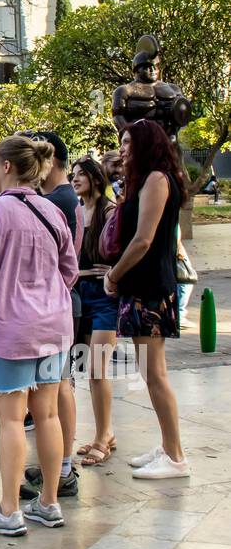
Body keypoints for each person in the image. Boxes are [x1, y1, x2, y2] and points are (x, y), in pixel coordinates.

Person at [0, 134, 79, 536]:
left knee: (11, 418)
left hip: (11, 327)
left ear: (7, 166)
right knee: (46, 414)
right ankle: (48, 501)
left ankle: (9, 510)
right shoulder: (53, 211)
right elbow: (70, 269)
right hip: (54, 326)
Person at [103, 119, 190, 479]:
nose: (122, 148)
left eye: (127, 142)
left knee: (154, 375)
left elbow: (143, 240)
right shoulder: (149, 179)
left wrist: (113, 275)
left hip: (150, 290)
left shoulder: (156, 179)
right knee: (154, 373)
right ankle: (169, 447)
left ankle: (175, 456)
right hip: (145, 288)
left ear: (145, 143)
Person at [21, 131, 82, 498]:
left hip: (55, 305)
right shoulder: (58, 198)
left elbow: (63, 264)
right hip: (58, 304)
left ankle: (62, 470)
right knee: (59, 387)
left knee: (59, 388)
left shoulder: (56, 200)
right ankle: (58, 464)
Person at [65, 156, 120, 467]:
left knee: (99, 369)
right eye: (72, 175)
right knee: (87, 369)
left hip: (103, 295)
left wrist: (112, 272)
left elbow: (124, 250)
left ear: (96, 179)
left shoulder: (110, 212)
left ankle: (103, 438)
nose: (74, 180)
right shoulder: (75, 210)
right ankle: (105, 432)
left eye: (80, 175)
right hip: (79, 294)